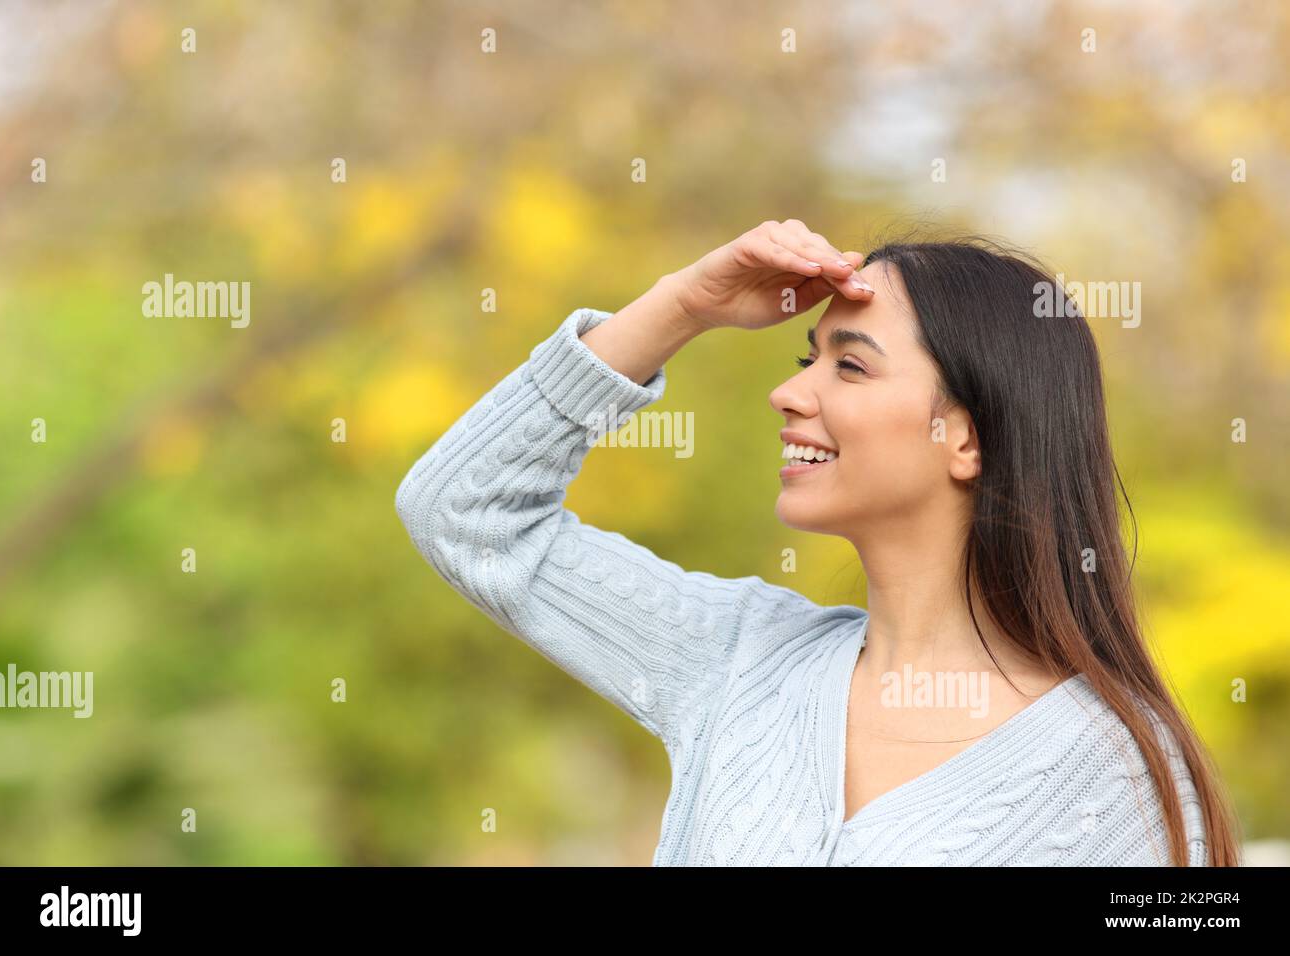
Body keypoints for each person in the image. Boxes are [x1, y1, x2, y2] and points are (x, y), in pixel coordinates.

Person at [395, 219, 1240, 865]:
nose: (787, 392)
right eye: (809, 356)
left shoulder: (1122, 779)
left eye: (850, 365)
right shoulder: (737, 658)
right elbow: (466, 514)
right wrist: (682, 306)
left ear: (966, 438)